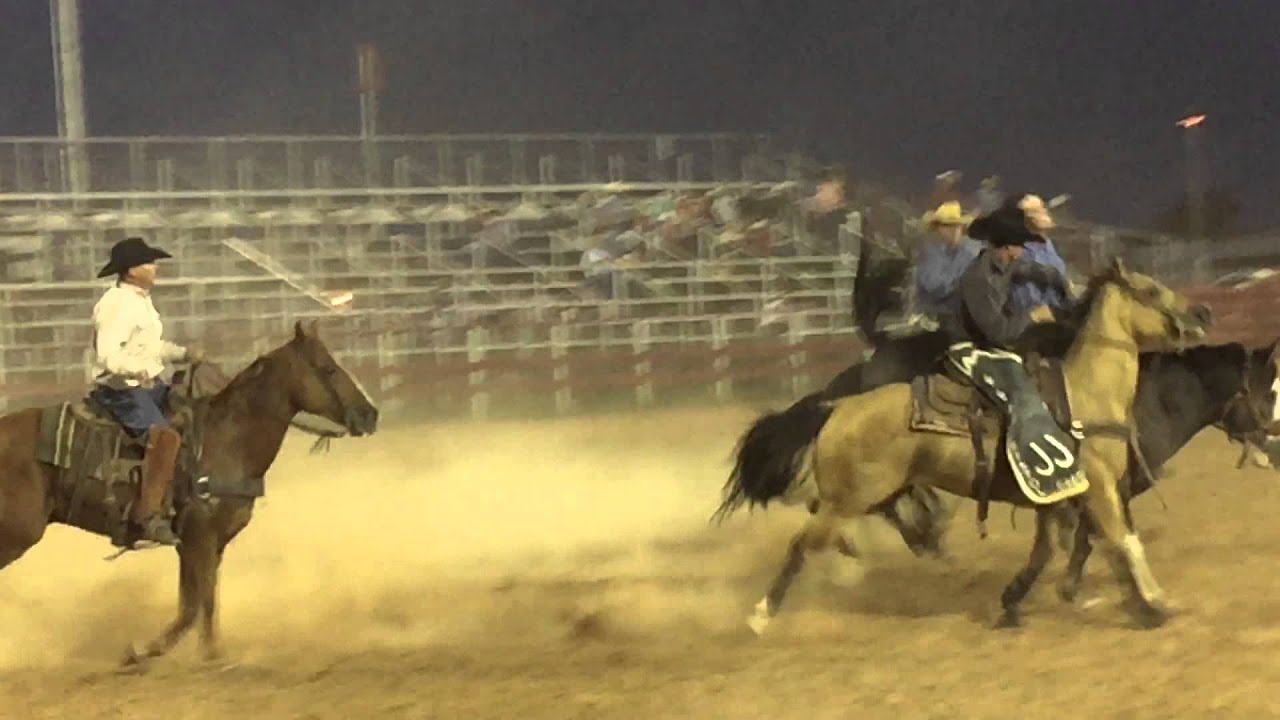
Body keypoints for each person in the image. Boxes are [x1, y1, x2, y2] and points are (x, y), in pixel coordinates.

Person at [90, 237, 200, 547]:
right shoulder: (114, 304)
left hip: (148, 385)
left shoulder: (140, 301)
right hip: (121, 389)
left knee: (193, 414)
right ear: (131, 271)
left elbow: (150, 348)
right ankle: (147, 518)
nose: (154, 268)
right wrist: (134, 369)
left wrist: (181, 353)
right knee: (164, 438)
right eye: (148, 263)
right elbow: (108, 355)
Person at [911, 201, 981, 330]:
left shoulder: (968, 252)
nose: (954, 231)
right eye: (948, 226)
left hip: (962, 319)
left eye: (957, 226)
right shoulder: (930, 252)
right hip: (933, 320)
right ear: (938, 228)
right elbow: (936, 288)